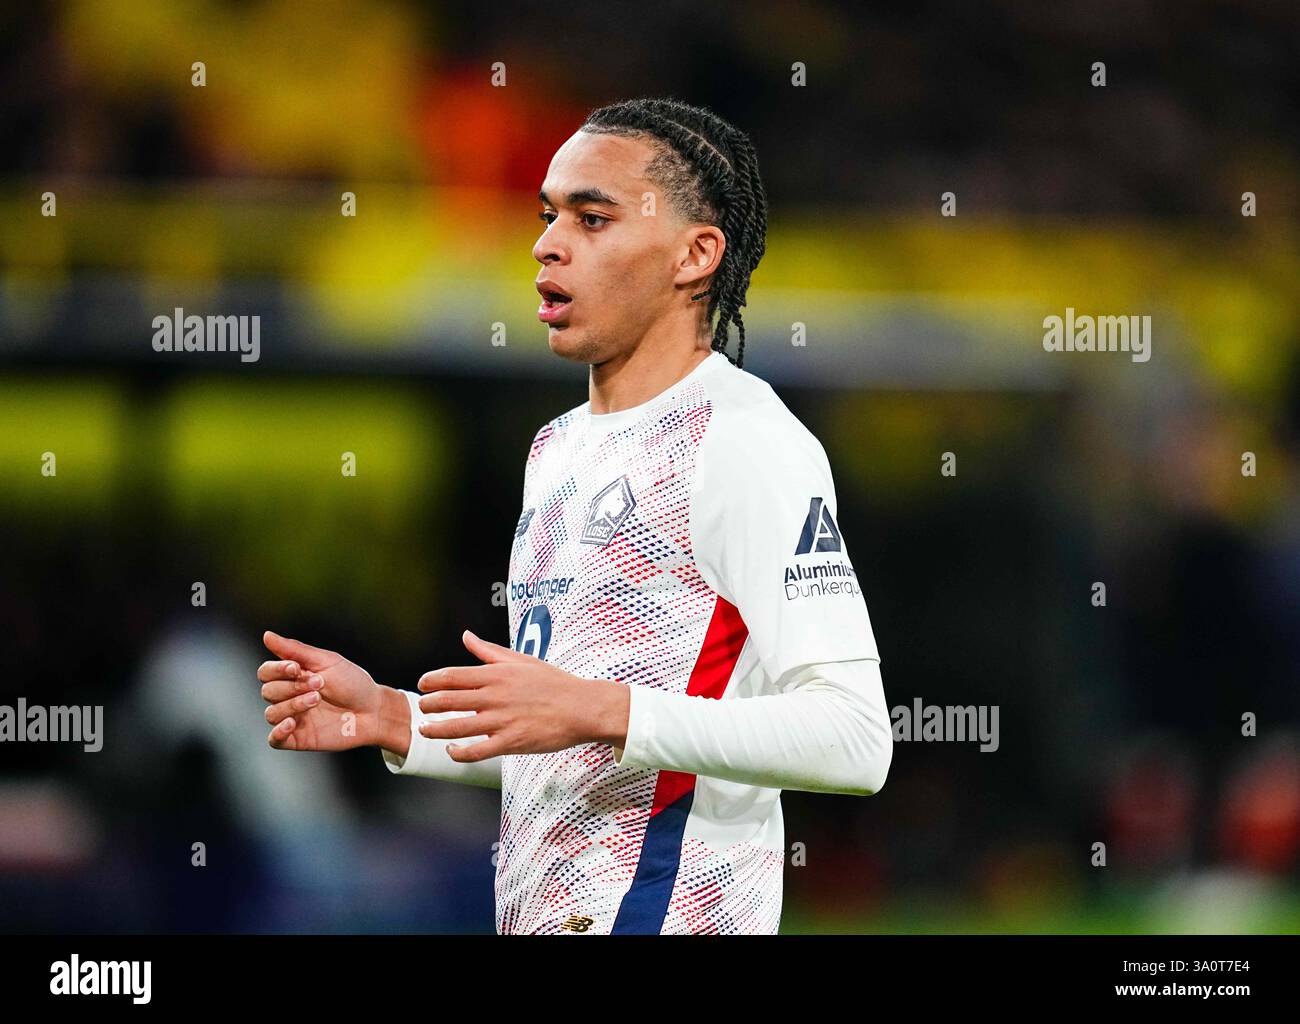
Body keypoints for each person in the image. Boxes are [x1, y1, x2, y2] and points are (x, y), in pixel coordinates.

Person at [258, 97, 892, 934]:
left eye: (592, 218)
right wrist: (393, 717)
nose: (547, 244)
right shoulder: (556, 449)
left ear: (696, 255)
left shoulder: (745, 442)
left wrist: (604, 707)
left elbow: (854, 740)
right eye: (548, 214)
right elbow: (573, 748)